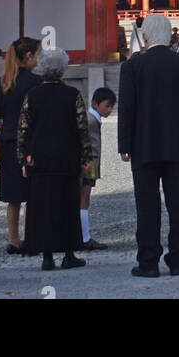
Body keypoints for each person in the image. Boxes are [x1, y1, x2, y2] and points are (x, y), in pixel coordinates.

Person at [118, 13, 179, 278]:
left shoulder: (133, 66)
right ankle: (177, 259)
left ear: (144, 37)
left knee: (147, 205)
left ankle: (148, 261)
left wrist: (125, 145)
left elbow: (127, 109)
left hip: (143, 146)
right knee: (178, 204)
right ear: (170, 36)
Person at [18, 48, 90, 272]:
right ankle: (69, 253)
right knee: (67, 204)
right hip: (67, 157)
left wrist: (22, 158)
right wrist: (86, 156)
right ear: (62, 70)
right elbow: (82, 129)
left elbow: (23, 128)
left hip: (40, 159)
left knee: (43, 206)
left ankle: (47, 256)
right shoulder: (72, 95)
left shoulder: (33, 95)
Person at [0, 36, 42, 253]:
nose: (38, 59)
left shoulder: (1, 84)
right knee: (31, 194)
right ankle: (30, 237)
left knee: (13, 197)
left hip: (8, 141)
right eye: (37, 55)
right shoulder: (36, 83)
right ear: (28, 56)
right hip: (31, 141)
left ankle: (13, 239)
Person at [80, 87, 116, 250]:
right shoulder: (89, 119)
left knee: (84, 198)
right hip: (89, 162)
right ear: (95, 104)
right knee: (84, 199)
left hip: (91, 161)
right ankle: (84, 236)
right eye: (107, 106)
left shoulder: (92, 118)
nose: (109, 110)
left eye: (111, 107)